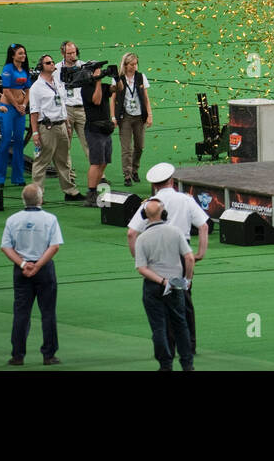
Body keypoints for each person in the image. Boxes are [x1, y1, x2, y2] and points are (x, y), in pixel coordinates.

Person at [128, 162, 209, 358]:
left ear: (155, 185)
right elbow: (204, 226)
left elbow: (131, 233)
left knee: (157, 301)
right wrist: (200, 253)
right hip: (181, 254)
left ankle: (166, 345)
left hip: (155, 254)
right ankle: (189, 345)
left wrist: (138, 256)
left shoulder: (150, 205)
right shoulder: (185, 199)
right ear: (172, 181)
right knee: (184, 300)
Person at [0, 183, 64, 365]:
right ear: (41, 199)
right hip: (43, 269)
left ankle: (17, 355)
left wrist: (22, 264)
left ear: (23, 199)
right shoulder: (50, 219)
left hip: (21, 271)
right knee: (48, 313)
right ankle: (49, 355)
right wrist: (38, 266)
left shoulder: (13, 219)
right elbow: (55, 246)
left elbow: (6, 246)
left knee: (21, 313)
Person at [134, 197, 196, 371]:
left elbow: (141, 268)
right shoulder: (175, 232)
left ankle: (165, 365)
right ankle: (187, 364)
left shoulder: (142, 239)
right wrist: (188, 280)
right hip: (176, 285)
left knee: (158, 327)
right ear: (164, 213)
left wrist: (161, 280)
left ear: (144, 215)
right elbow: (189, 258)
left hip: (153, 287)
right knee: (180, 325)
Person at [29, 54, 85, 200]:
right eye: (48, 63)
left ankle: (70, 191)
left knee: (64, 160)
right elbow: (34, 112)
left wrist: (66, 124)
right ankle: (37, 195)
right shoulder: (37, 87)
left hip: (61, 125)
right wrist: (35, 133)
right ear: (41, 67)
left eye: (53, 62)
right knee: (41, 162)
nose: (52, 64)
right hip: (47, 127)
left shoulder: (58, 82)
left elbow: (62, 105)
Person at [0, 44, 32, 189]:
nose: (23, 56)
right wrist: (17, 106)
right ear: (13, 56)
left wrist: (24, 105)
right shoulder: (7, 69)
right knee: (5, 141)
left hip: (20, 110)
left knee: (19, 142)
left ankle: (18, 177)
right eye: (20, 54)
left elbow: (28, 89)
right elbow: (6, 90)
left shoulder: (24, 70)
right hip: (8, 109)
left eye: (24, 53)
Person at [114, 52, 152, 186]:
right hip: (125, 117)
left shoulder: (141, 77)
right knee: (126, 148)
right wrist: (113, 117)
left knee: (140, 146)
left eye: (135, 64)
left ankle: (135, 169)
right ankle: (127, 175)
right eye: (131, 64)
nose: (134, 67)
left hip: (139, 116)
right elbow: (113, 99)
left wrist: (149, 114)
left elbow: (146, 98)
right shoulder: (118, 78)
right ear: (125, 65)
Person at [81, 64, 115, 207]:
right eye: (97, 71)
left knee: (104, 161)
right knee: (96, 162)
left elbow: (117, 90)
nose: (100, 73)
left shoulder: (103, 86)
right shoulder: (86, 88)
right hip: (94, 130)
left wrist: (117, 77)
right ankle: (91, 193)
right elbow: (96, 100)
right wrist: (99, 82)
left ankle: (96, 191)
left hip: (105, 129)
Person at [60, 41, 89, 177]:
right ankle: (68, 174)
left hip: (82, 109)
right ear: (63, 54)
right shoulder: (57, 69)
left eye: (74, 52)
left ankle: (99, 175)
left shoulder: (83, 66)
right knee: (66, 144)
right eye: (69, 53)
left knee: (89, 142)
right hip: (66, 109)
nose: (72, 56)